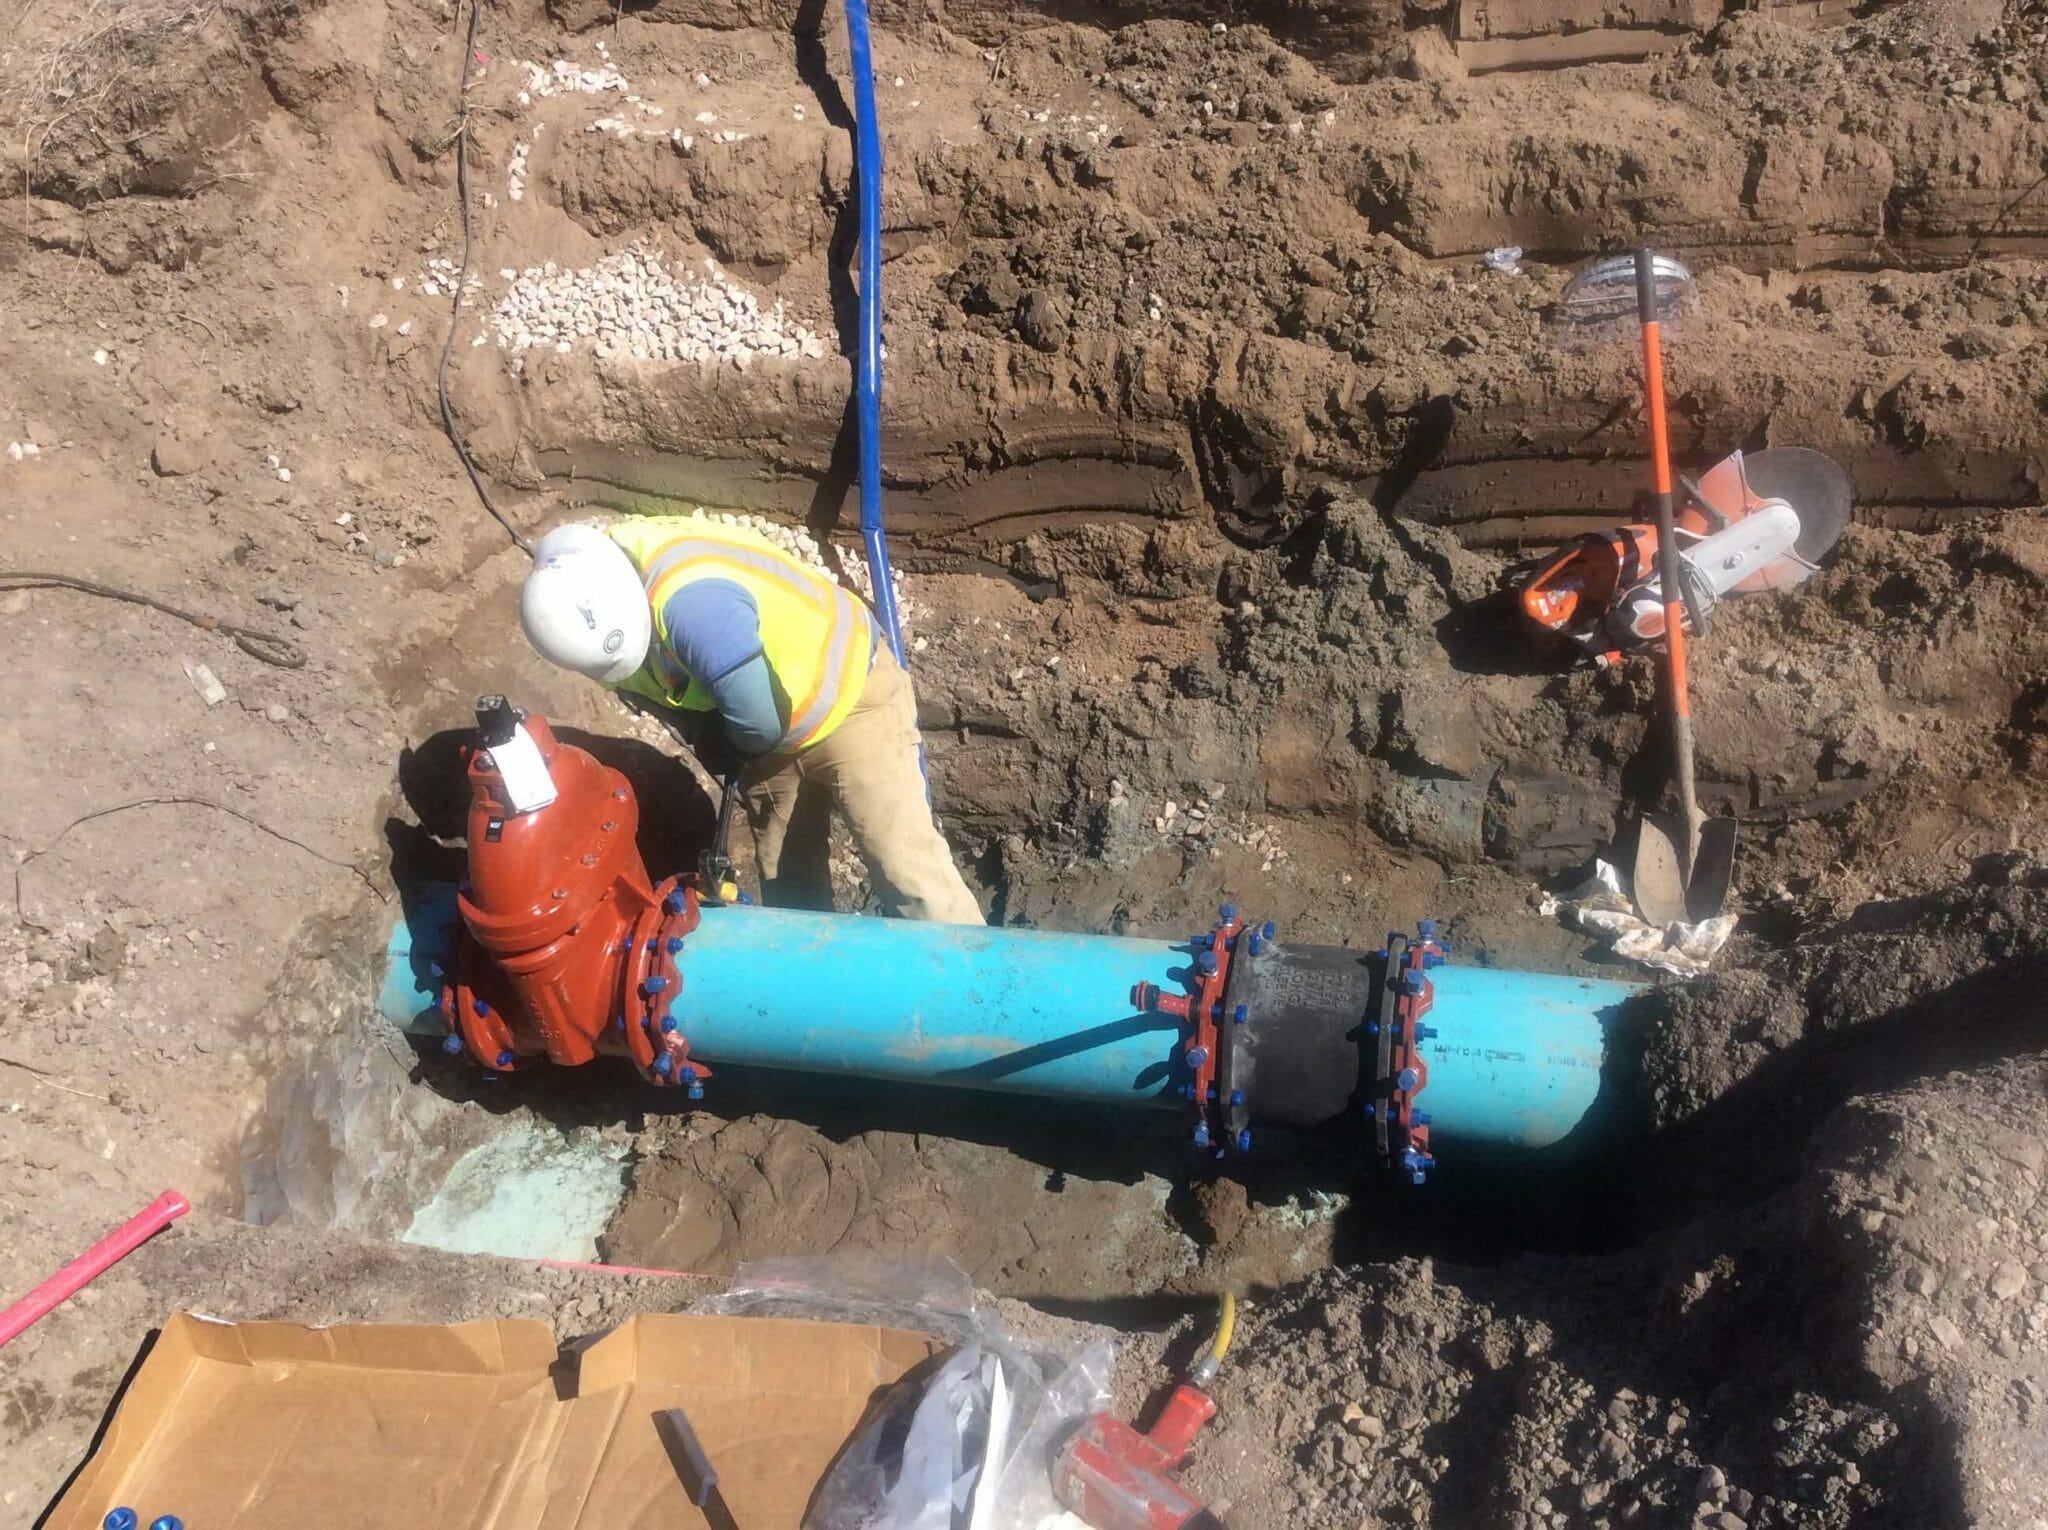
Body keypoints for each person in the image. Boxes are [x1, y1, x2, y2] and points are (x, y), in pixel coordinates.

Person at [519, 517, 984, 925]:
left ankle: (979, 986)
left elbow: (759, 724)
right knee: (788, 885)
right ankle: (812, 986)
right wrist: (701, 730)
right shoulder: (585, 626)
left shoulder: (691, 602)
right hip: (762, 733)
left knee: (907, 870)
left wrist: (729, 741)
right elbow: (660, 692)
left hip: (848, 697)